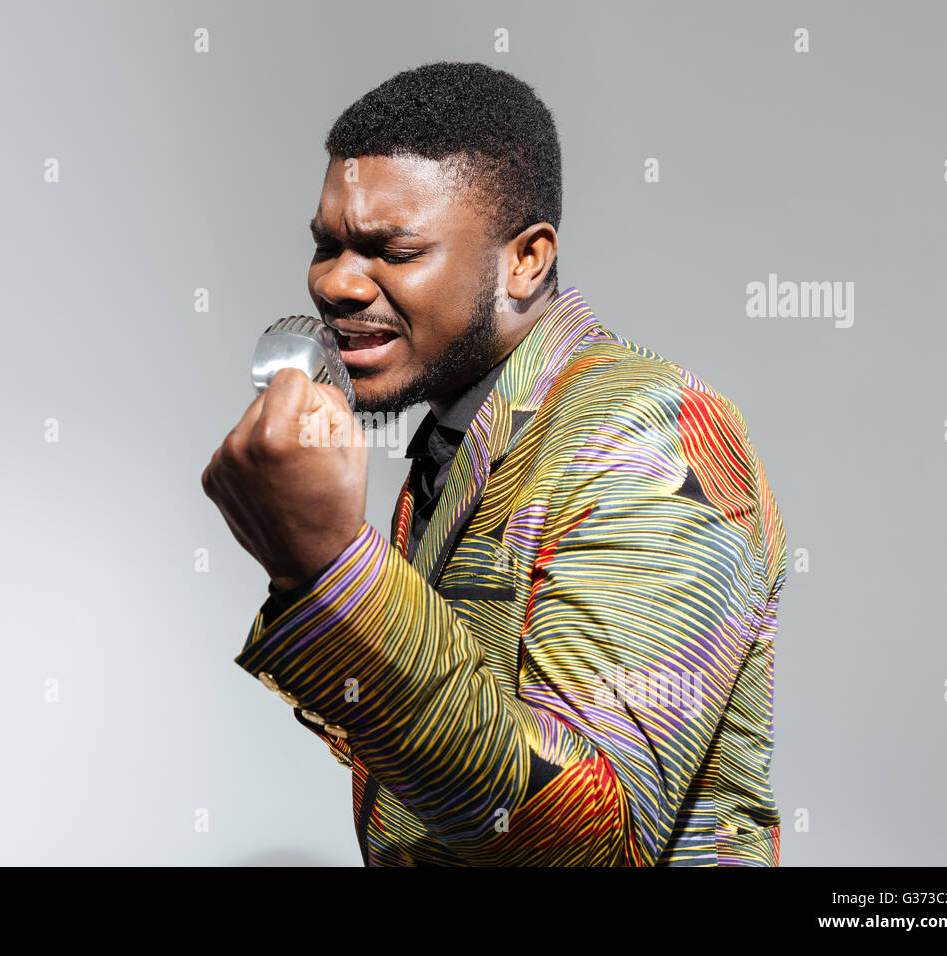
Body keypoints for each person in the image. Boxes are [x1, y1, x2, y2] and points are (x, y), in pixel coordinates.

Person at [201, 62, 788, 866]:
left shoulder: (652, 433)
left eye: (393, 250)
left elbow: (588, 843)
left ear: (526, 261)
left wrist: (329, 568)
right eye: (326, 244)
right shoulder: (451, 446)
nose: (334, 283)